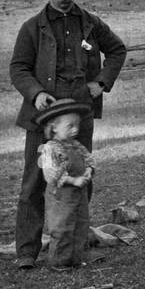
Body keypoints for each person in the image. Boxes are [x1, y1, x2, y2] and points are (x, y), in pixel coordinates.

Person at [10, 0, 126, 270]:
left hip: (78, 115)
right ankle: (27, 251)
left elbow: (117, 50)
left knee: (79, 178)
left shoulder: (89, 23)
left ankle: (72, 247)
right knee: (35, 182)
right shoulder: (32, 28)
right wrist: (36, 94)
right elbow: (18, 68)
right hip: (44, 117)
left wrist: (100, 82)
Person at [37, 101, 94, 269]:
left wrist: (89, 170)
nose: (75, 130)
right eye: (70, 126)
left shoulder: (76, 145)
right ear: (54, 127)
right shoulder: (50, 148)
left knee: (80, 223)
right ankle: (59, 261)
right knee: (62, 227)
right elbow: (51, 174)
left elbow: (88, 158)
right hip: (60, 195)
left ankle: (75, 259)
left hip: (79, 194)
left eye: (77, 125)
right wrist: (72, 180)